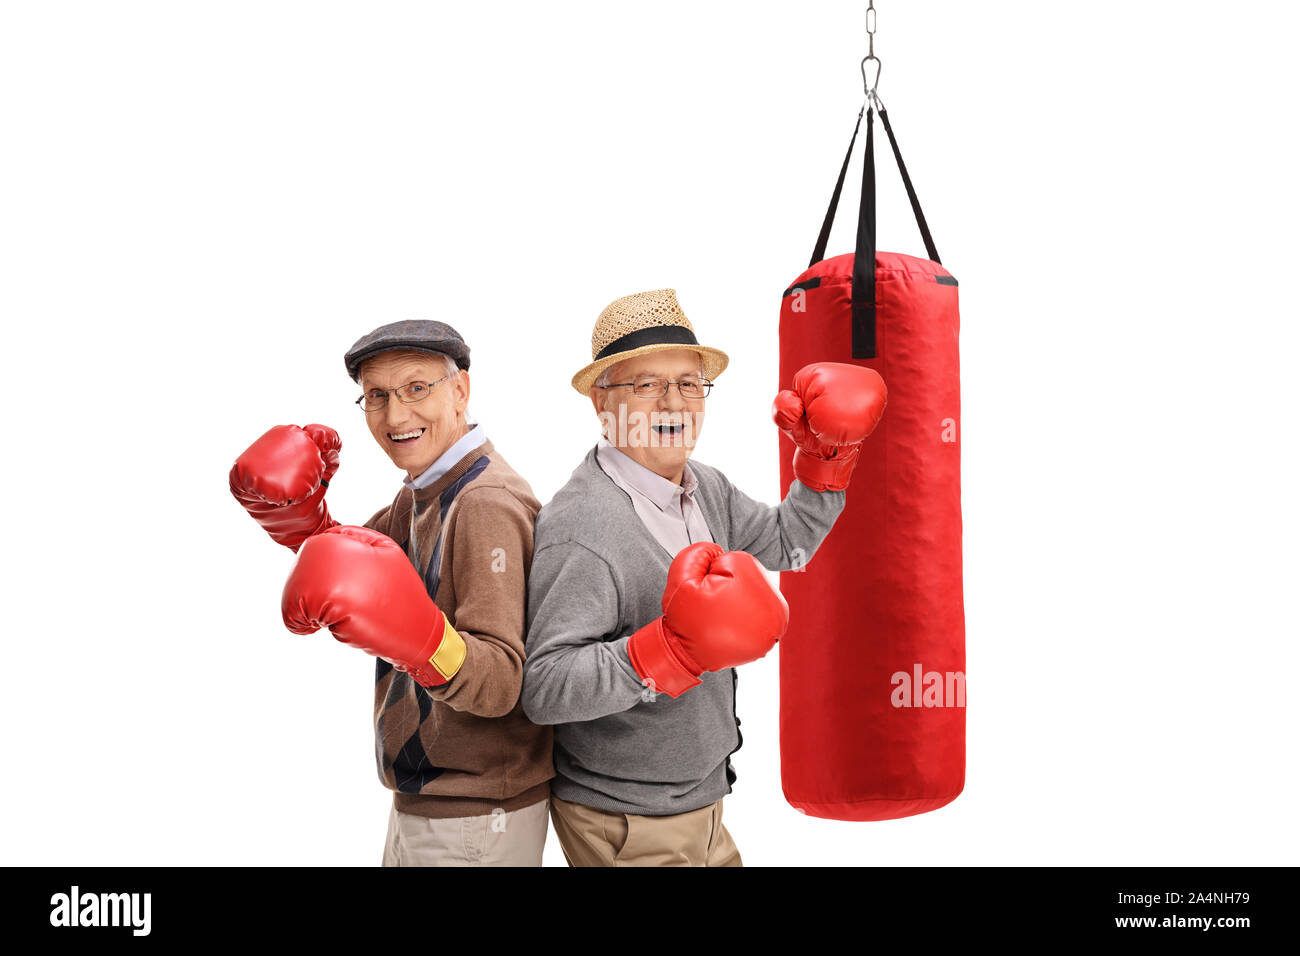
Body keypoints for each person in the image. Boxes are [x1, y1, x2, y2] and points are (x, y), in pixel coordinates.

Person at [521, 289, 886, 866]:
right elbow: (544, 688)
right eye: (648, 385)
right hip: (628, 820)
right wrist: (668, 652)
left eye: (690, 383)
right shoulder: (582, 526)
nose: (675, 402)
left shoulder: (704, 487)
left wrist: (825, 465)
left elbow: (787, 546)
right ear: (602, 401)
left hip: (704, 802)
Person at [229, 319, 553, 866]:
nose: (396, 415)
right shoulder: (427, 491)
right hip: (430, 803)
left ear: (461, 390)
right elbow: (356, 567)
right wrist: (301, 525)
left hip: (476, 818)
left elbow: (502, 680)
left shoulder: (484, 503)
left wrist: (424, 641)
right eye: (377, 397)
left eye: (416, 388)